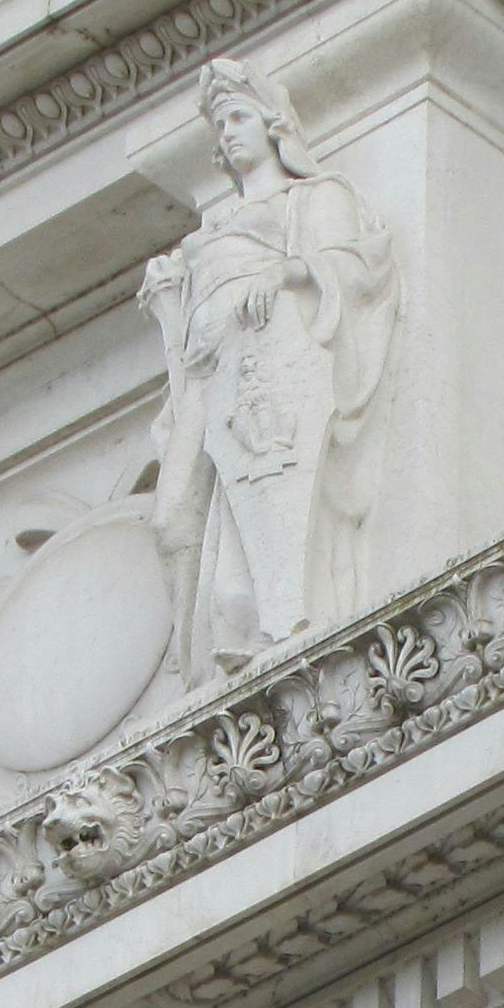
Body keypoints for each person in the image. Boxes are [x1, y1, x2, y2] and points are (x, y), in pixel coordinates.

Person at [141, 61, 401, 672]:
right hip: (213, 383)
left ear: (272, 124)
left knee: (241, 573)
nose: (228, 133)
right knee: (171, 515)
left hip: (262, 379)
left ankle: (270, 625)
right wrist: (167, 307)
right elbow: (190, 358)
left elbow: (358, 263)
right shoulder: (210, 231)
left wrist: (289, 271)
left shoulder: (314, 197)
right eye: (219, 124)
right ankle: (197, 658)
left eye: (238, 117)